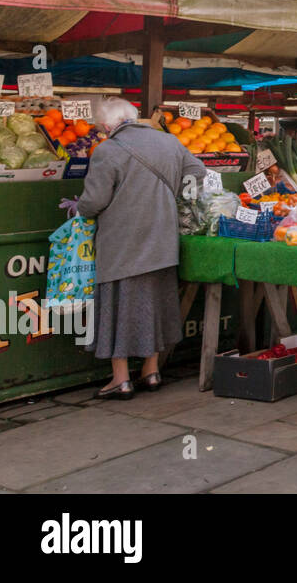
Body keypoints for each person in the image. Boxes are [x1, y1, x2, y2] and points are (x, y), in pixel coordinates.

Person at [76, 97, 205, 399]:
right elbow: (198, 172)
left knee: (117, 305)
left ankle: (120, 379)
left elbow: (93, 202)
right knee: (158, 303)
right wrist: (169, 197)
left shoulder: (107, 150)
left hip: (122, 243)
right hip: (162, 238)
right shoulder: (169, 142)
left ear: (107, 125)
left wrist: (78, 209)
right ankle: (151, 371)